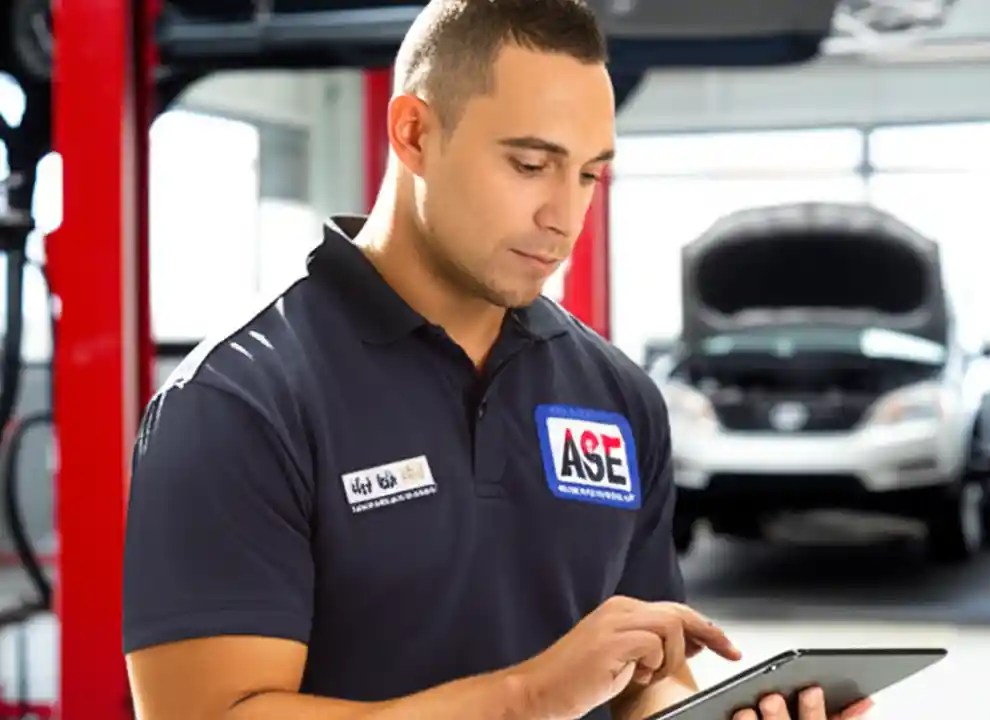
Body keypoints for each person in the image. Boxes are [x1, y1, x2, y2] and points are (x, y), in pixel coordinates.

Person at [122, 2, 874, 719]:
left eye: (588, 174)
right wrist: (527, 699)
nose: (564, 216)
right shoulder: (239, 401)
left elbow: (642, 678)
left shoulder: (617, 397)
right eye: (529, 164)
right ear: (414, 133)